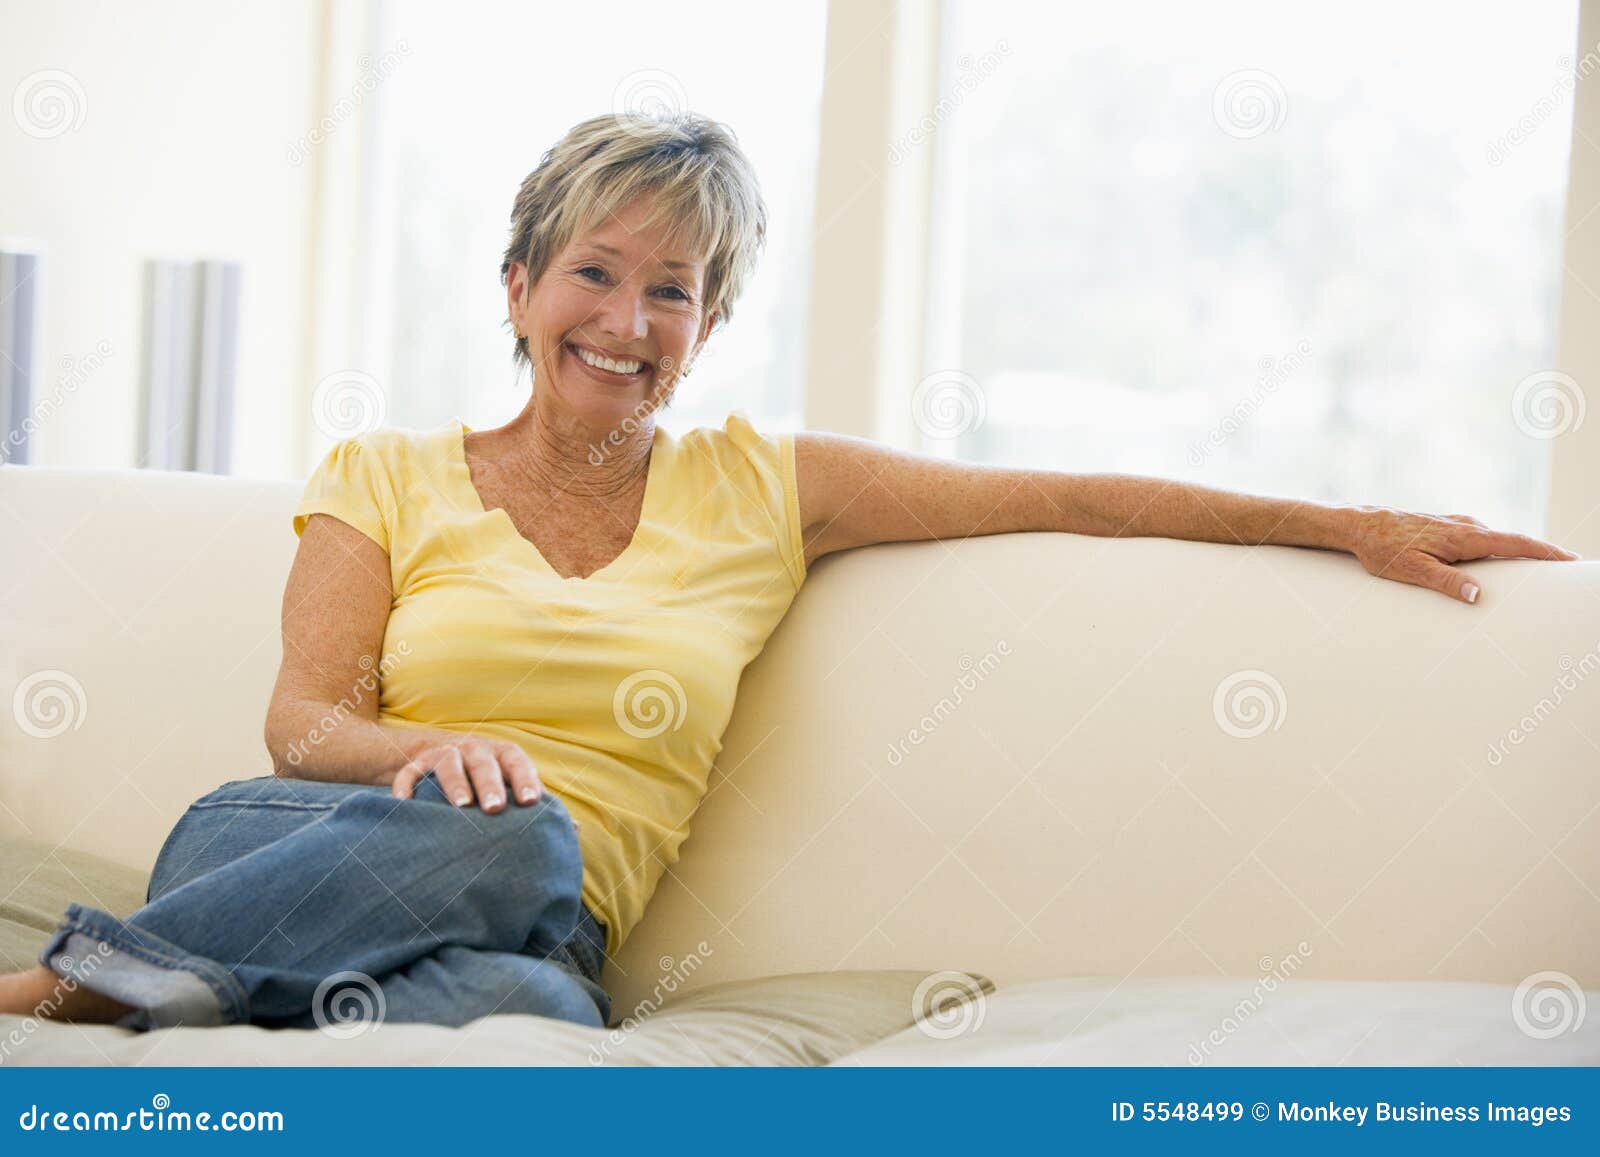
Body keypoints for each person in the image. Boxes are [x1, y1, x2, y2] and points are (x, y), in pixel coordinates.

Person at [0, 111, 1578, 1031]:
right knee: (513, 827)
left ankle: (191, 999)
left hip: (546, 935)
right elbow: (297, 720)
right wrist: (421, 747)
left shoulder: (766, 489)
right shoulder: (390, 476)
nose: (628, 321)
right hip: (295, 840)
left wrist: (1341, 522)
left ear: (707, 325)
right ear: (519, 287)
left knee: (548, 1006)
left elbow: (1073, 493)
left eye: (673, 290)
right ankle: (90, 976)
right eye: (597, 273)